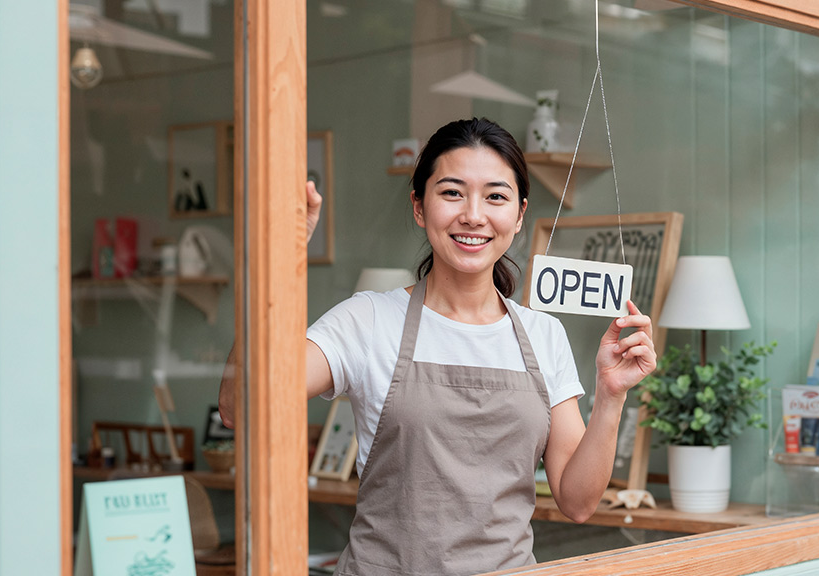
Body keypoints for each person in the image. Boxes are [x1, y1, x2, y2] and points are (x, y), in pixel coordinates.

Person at [218, 118, 656, 576]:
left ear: (520, 214)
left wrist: (611, 395)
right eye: (451, 192)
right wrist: (273, 264)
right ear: (419, 207)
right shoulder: (367, 320)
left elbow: (578, 501)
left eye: (495, 196)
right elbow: (240, 406)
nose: (473, 214)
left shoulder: (543, 334)